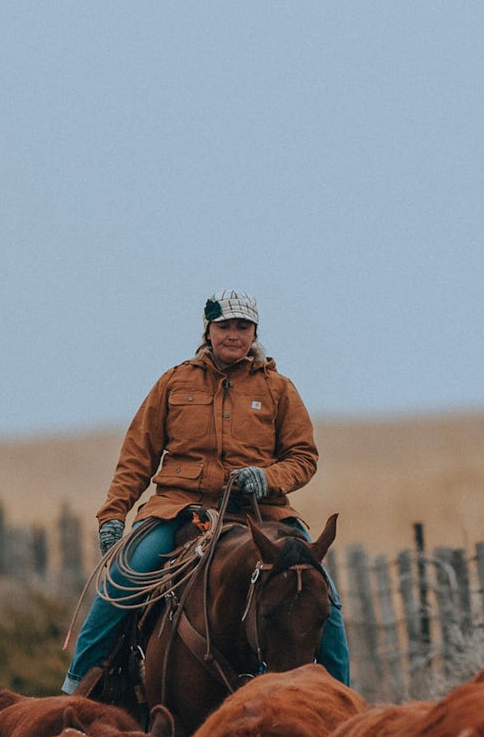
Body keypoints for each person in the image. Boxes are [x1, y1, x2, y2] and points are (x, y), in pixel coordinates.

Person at [62, 291, 350, 693]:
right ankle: (76, 693)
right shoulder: (174, 383)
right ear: (208, 330)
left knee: (324, 597)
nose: (233, 335)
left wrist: (267, 478)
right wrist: (113, 515)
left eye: (242, 327)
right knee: (122, 581)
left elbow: (303, 457)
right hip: (178, 509)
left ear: (254, 333)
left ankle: (340, 704)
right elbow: (137, 456)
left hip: (263, 514)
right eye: (224, 326)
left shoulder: (279, 390)